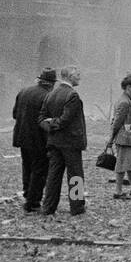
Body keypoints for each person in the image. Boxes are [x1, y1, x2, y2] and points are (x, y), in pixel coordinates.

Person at [39, 65, 87, 216]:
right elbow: (65, 120)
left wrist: (50, 126)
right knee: (76, 175)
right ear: (68, 77)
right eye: (77, 74)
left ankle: (48, 207)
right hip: (71, 143)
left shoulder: (50, 95)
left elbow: (41, 118)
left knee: (53, 175)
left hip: (54, 142)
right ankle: (77, 207)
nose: (79, 77)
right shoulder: (72, 96)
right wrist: (55, 124)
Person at [12, 68, 56, 213]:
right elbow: (48, 122)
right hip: (39, 139)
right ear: (51, 83)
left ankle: (27, 194)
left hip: (22, 136)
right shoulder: (49, 96)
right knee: (40, 170)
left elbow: (14, 114)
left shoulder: (24, 91)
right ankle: (33, 202)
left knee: (27, 166)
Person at [110, 73, 131, 199]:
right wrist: (110, 140)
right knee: (122, 164)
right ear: (128, 87)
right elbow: (117, 122)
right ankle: (118, 192)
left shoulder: (126, 99)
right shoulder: (124, 102)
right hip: (124, 138)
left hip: (128, 138)